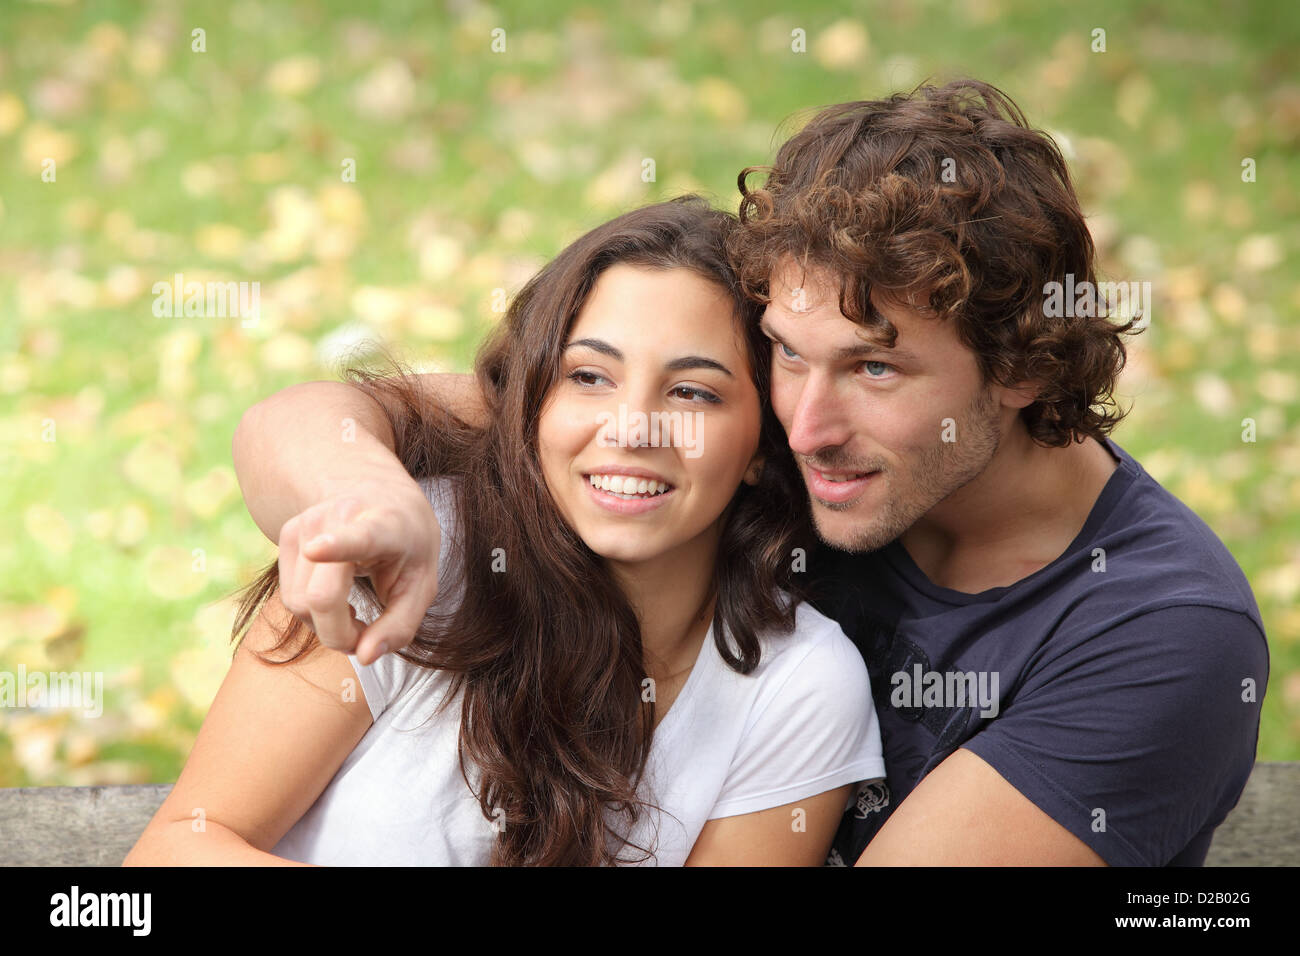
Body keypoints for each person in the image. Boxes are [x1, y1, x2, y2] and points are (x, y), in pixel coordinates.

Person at [220, 79, 1268, 866]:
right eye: (786, 350)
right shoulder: (758, 430)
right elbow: (336, 417)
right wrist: (374, 500)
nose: (805, 422)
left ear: (1024, 367)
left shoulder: (1159, 634)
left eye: (874, 366)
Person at [124, 196, 886, 867]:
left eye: (692, 391)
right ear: (534, 402)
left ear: (760, 444)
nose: (631, 428)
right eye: (588, 377)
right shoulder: (418, 555)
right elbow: (181, 847)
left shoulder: (798, 685)